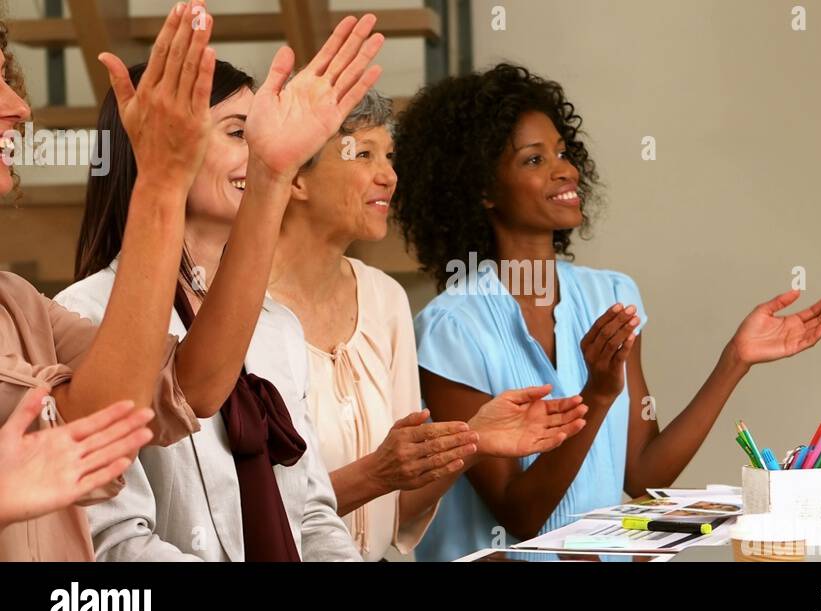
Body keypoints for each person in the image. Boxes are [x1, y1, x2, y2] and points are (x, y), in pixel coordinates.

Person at [390, 63, 821, 561]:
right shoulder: (450, 329)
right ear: (481, 188)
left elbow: (642, 474)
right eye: (534, 160)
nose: (564, 169)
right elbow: (519, 515)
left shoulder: (610, 294)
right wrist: (598, 394)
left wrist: (733, 362)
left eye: (563, 153)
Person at [57, 13, 386, 561]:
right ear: (157, 143)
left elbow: (313, 518)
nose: (261, 149)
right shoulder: (85, 314)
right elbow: (114, 542)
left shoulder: (277, 325)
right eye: (239, 132)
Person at [267, 89, 588, 560]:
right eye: (363, 155)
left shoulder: (385, 300)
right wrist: (377, 471)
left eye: (390, 157)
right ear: (296, 178)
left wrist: (474, 439)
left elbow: (393, 510)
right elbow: (234, 514)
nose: (388, 176)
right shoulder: (237, 308)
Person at [0, 1, 258, 561]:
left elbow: (196, 386)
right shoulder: (75, 301)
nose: (19, 107)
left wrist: (277, 178)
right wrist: (162, 182)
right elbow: (95, 425)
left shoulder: (15, 299)